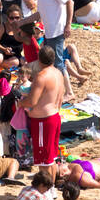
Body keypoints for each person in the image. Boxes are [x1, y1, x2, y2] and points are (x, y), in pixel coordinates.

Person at [23, 45, 65, 180]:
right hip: (54, 117)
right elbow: (61, 97)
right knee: (51, 158)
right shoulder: (58, 73)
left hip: (43, 121)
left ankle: (46, 191)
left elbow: (31, 102)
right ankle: (50, 189)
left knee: (44, 162)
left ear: (39, 59)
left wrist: (20, 103)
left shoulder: (41, 76)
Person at [27, 0, 73, 90]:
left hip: (57, 30)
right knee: (49, 61)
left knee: (58, 63)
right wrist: (22, 21)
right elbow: (39, 14)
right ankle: (55, 85)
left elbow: (69, 2)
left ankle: (68, 91)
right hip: (49, 31)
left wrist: (68, 24)